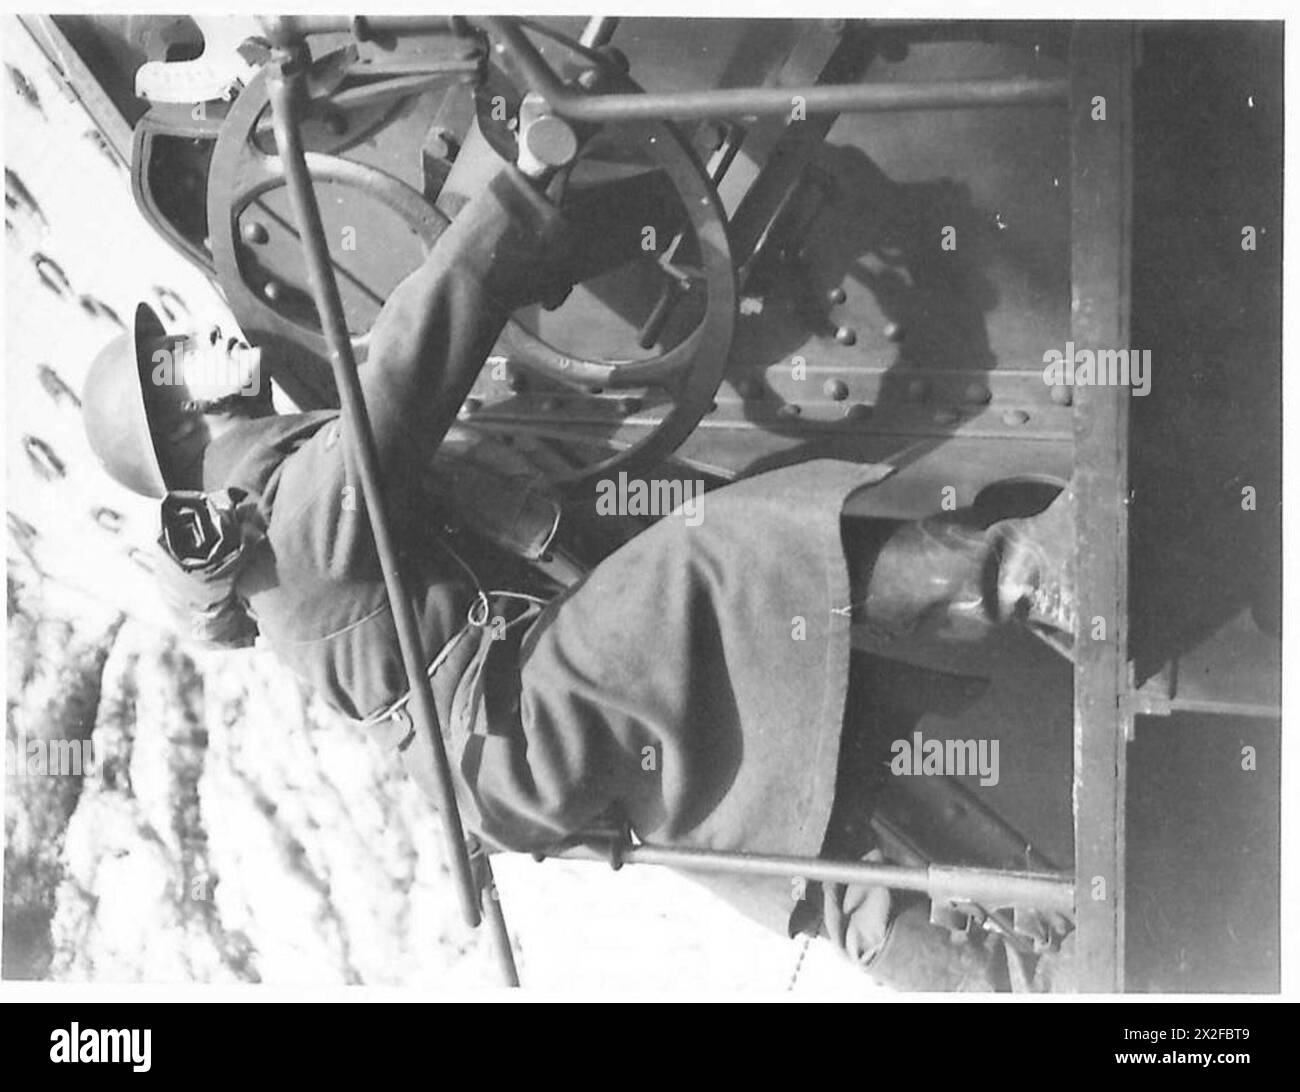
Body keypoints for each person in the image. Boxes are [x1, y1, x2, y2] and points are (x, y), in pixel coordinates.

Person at [81, 139, 1073, 991]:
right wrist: (518, 192)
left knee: (771, 841)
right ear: (182, 420)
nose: (208, 330)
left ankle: (1019, 983)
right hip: (521, 724)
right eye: (179, 356)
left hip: (507, 765)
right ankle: (1025, 574)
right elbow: (407, 371)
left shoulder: (266, 522)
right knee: (716, 559)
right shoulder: (286, 513)